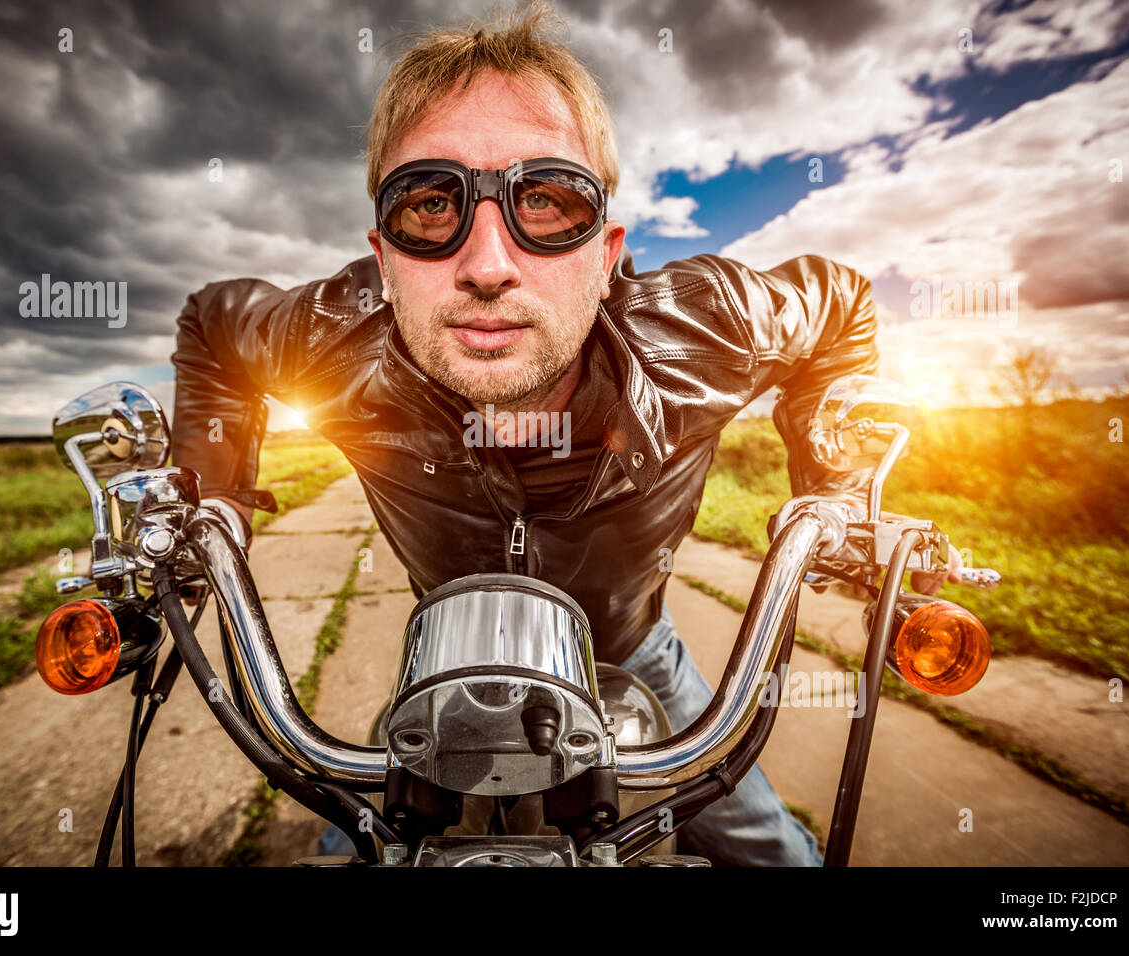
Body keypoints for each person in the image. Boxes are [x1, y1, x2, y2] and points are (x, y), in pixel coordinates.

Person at [171, 1, 959, 866]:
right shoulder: (331, 337)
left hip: (635, 650)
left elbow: (841, 303)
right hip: (444, 656)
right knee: (358, 846)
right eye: (430, 206)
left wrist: (835, 495)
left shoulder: (709, 327)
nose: (487, 266)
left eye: (546, 202)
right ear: (383, 258)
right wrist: (212, 506)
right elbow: (212, 324)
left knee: (778, 856)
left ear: (606, 246)